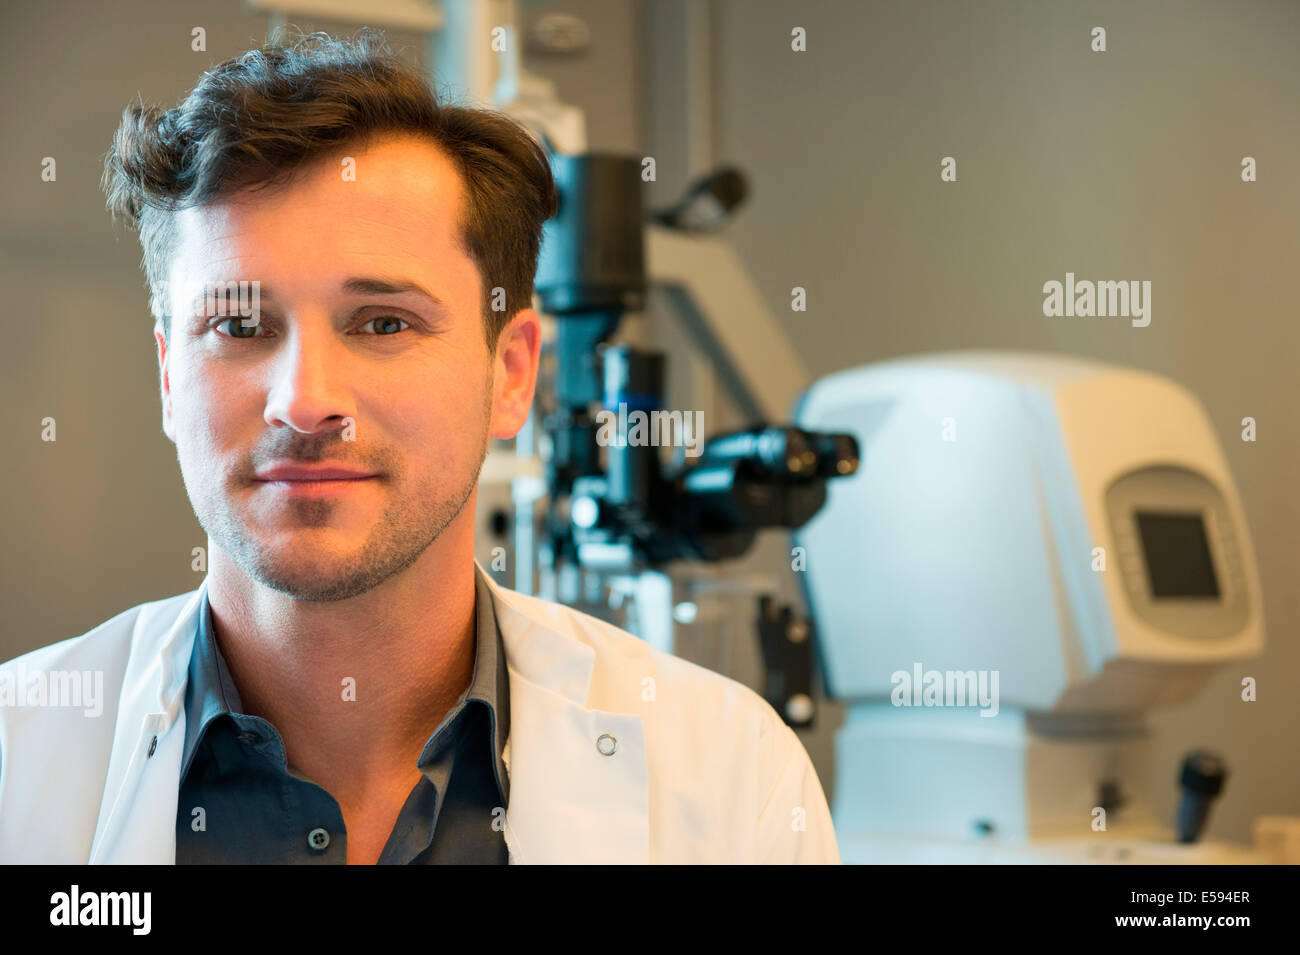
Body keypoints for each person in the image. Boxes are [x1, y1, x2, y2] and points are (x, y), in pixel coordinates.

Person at [0, 30, 839, 865]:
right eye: (239, 325)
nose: (305, 401)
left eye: (385, 322)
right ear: (169, 379)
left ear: (511, 374)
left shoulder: (732, 781)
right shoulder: (18, 757)